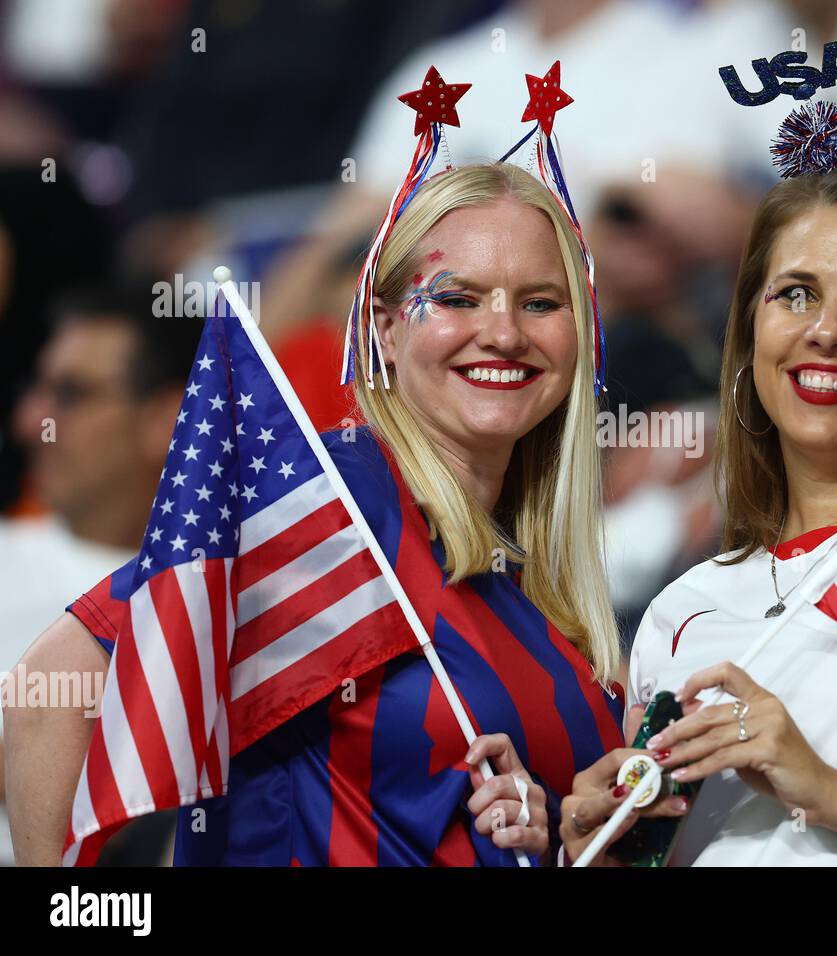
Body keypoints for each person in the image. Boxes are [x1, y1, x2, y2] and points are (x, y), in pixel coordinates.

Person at [4, 161, 627, 866]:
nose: (505, 333)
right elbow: (50, 690)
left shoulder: (538, 576)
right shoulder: (332, 501)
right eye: (458, 298)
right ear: (386, 332)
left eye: (541, 303)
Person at [562, 165, 837, 865]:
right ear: (751, 329)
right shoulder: (680, 612)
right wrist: (610, 848)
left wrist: (835, 794)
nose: (826, 331)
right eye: (795, 294)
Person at [0, 285, 199, 865]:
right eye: (35, 389)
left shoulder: (246, 597)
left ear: (168, 417)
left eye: (70, 394)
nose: (29, 421)